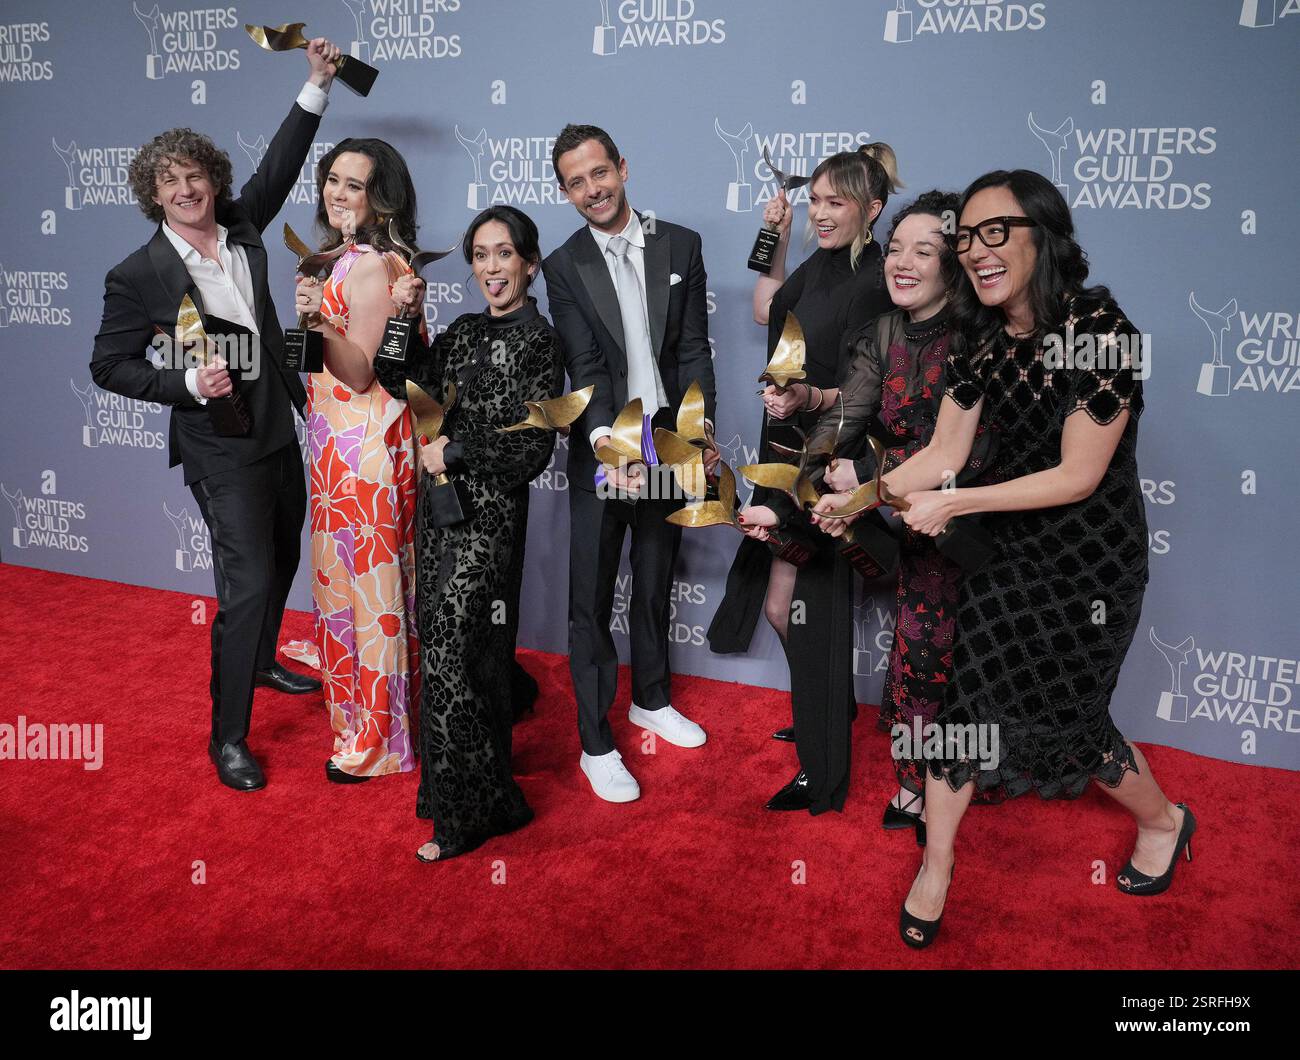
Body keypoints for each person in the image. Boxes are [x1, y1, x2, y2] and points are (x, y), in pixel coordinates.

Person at [824, 170, 1193, 947]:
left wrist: (956, 502)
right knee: (963, 712)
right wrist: (861, 500)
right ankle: (938, 864)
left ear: (1045, 237)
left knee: (1069, 725)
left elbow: (1078, 475)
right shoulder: (982, 335)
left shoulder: (1099, 328)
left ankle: (1164, 820)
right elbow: (946, 450)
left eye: (998, 231)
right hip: (1008, 558)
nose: (977, 250)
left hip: (1090, 566)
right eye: (968, 236)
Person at [91, 39, 343, 791]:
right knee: (247, 584)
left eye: (194, 174)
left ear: (211, 180)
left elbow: (282, 166)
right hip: (217, 443)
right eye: (169, 181)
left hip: (277, 423)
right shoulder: (136, 274)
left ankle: (264, 662)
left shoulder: (242, 225)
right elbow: (108, 365)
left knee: (286, 552)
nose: (186, 189)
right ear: (154, 195)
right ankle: (227, 737)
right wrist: (187, 382)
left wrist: (317, 85)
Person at [799, 191, 997, 835]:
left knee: (981, 654)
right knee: (921, 644)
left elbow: (976, 450)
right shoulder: (881, 333)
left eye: (925, 250)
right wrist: (799, 492)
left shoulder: (980, 337)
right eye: (896, 249)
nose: (903, 263)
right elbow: (842, 420)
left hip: (985, 521)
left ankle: (976, 774)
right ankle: (916, 782)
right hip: (914, 526)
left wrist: (866, 481)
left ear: (953, 262)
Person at [711, 145, 899, 815]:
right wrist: (778, 240)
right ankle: (830, 708)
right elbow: (767, 307)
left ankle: (824, 772)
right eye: (814, 199)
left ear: (872, 210)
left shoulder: (876, 281)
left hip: (825, 466)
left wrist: (810, 456)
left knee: (808, 614)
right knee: (780, 610)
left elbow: (862, 393)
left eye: (835, 202)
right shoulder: (819, 265)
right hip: (781, 455)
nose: (820, 212)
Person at [374, 205, 564, 861]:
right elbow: (400, 381)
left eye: (503, 254)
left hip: (489, 522)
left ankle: (464, 820)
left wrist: (450, 452)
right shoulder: (458, 332)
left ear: (528, 263)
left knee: (458, 651)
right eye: (481, 255)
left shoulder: (541, 342)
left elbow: (533, 445)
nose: (491, 267)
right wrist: (404, 315)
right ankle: (484, 798)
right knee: (455, 652)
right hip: (440, 516)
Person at [543, 123, 719, 803]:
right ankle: (594, 743)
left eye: (599, 173)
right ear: (565, 191)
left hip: (669, 438)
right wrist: (611, 448)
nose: (592, 190)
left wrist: (697, 433)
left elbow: (695, 349)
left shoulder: (682, 244)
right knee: (589, 597)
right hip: (604, 446)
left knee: (653, 578)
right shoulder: (563, 265)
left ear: (622, 166)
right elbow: (585, 368)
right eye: (576, 182)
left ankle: (650, 698)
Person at [292, 138, 424, 784]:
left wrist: (321, 327)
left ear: (381, 198)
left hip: (365, 451)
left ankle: (381, 739)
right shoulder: (338, 260)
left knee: (372, 599)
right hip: (331, 447)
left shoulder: (373, 265)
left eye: (355, 185)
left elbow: (364, 373)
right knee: (339, 590)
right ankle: (354, 719)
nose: (339, 194)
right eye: (333, 181)